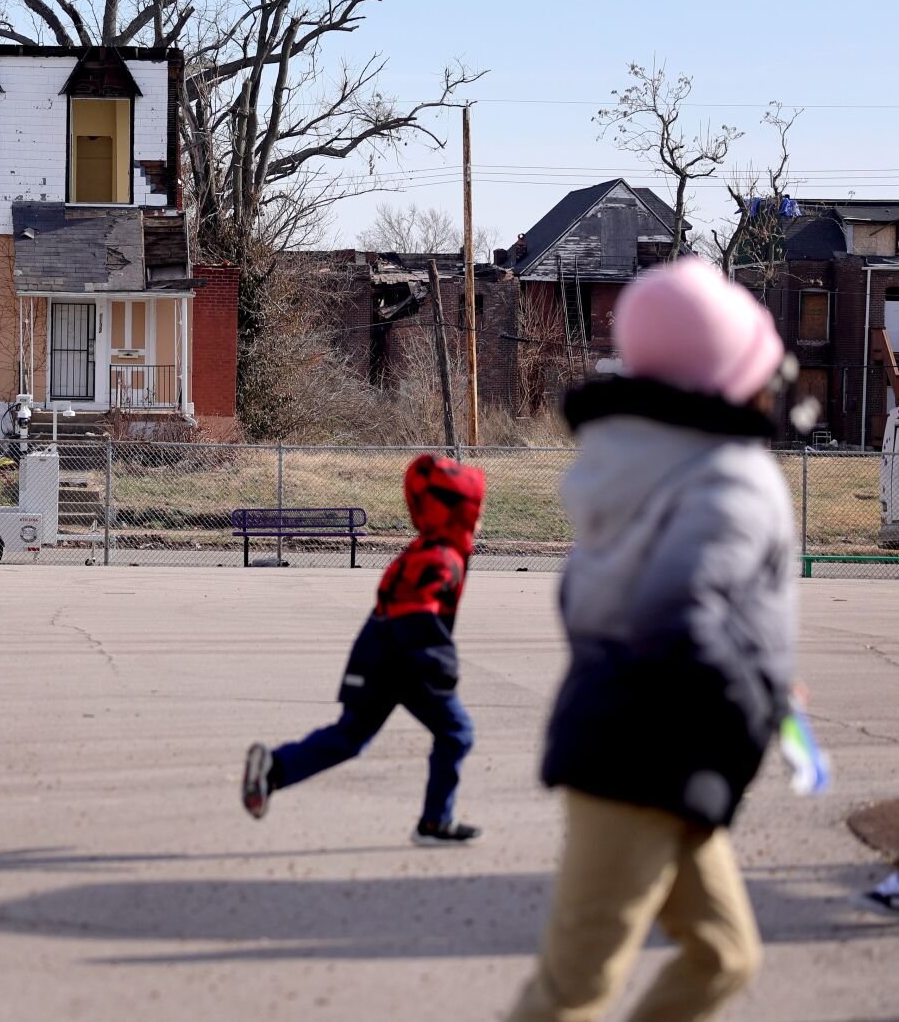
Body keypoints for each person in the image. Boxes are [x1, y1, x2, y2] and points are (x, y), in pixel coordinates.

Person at [508, 257, 797, 1021]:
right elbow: (683, 626)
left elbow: (582, 596)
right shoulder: (730, 475)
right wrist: (758, 701)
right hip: (646, 758)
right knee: (573, 988)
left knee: (722, 956)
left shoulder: (629, 461)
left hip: (645, 740)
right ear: (736, 369)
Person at [241, 453, 487, 846]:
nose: (478, 515)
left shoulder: (429, 550)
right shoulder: (441, 558)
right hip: (405, 660)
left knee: (351, 737)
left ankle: (274, 769)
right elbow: (415, 618)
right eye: (474, 507)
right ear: (455, 511)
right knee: (457, 732)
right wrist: (439, 669)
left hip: (379, 655)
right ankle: (435, 823)